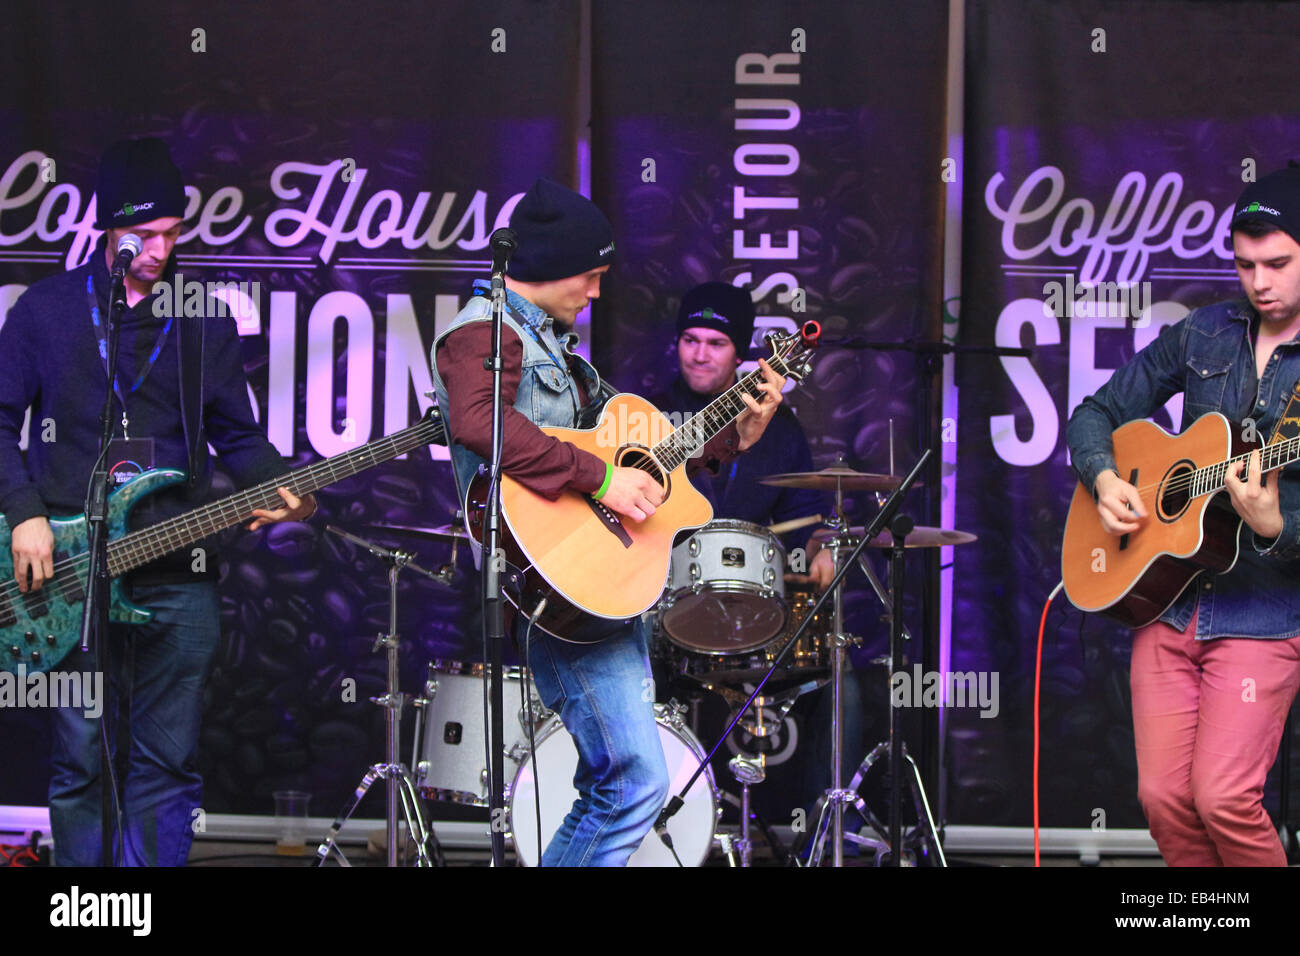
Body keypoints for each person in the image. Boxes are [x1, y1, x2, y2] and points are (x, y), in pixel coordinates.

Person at [430, 178, 787, 866]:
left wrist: (735, 435)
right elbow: (479, 423)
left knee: (625, 782)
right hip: (555, 582)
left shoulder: (557, 347)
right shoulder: (482, 331)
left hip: (595, 580)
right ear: (549, 267)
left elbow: (647, 465)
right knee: (633, 783)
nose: (596, 292)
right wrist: (602, 479)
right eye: (590, 276)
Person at [0, 138, 315, 866]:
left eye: (174, 233)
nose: (161, 249)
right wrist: (25, 513)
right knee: (78, 764)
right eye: (145, 234)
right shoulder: (46, 312)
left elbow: (238, 435)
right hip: (73, 575)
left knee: (166, 765)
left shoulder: (202, 316)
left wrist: (284, 487)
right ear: (109, 230)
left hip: (180, 565)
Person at [1066, 164, 1300, 866]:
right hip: (1167, 605)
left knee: (1222, 797)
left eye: (1279, 263)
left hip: (1263, 614)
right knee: (1166, 800)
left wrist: (1272, 524)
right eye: (1245, 264)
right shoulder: (1203, 332)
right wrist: (1105, 477)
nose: (1259, 282)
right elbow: (1096, 413)